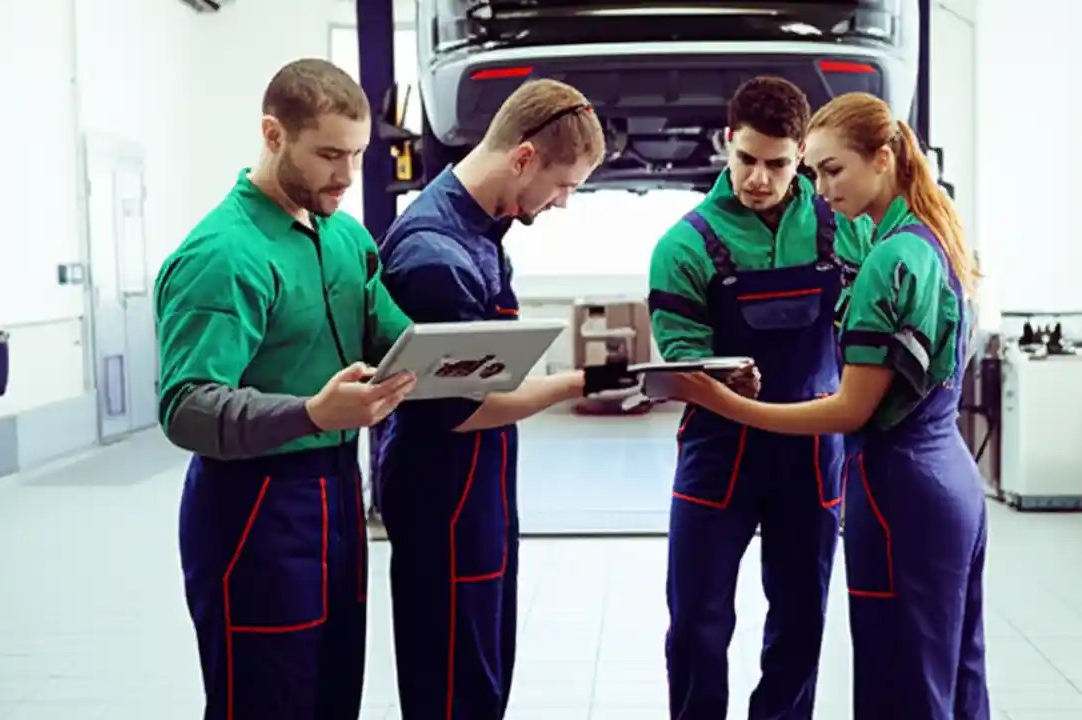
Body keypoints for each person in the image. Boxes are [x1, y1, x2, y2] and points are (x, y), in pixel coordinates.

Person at [666, 91, 991, 720]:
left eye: (823, 169)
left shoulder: (877, 252)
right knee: (950, 670)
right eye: (817, 173)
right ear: (726, 145)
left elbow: (851, 408)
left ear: (884, 156)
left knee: (888, 667)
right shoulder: (937, 238)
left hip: (879, 476)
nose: (819, 186)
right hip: (940, 474)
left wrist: (731, 403)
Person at [155, 58, 418, 720]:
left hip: (336, 492)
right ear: (273, 135)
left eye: (356, 154)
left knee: (333, 691)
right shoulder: (224, 254)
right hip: (254, 507)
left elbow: (392, 336)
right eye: (329, 154)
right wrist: (311, 412)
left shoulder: (344, 235)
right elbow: (186, 406)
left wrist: (471, 358)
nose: (347, 176)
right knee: (266, 698)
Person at [375, 78, 639, 718]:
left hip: (479, 489)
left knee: (484, 668)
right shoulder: (435, 257)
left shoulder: (479, 231)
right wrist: (584, 382)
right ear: (523, 158)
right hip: (443, 493)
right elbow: (460, 410)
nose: (564, 203)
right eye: (565, 185)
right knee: (453, 680)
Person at [648, 76, 845, 719]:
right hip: (720, 450)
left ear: (802, 158)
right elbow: (678, 357)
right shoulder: (684, 245)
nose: (759, 178)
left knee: (801, 615)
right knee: (697, 622)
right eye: (747, 159)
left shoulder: (840, 227)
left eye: (778, 164)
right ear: (726, 142)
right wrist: (720, 379)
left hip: (814, 452)